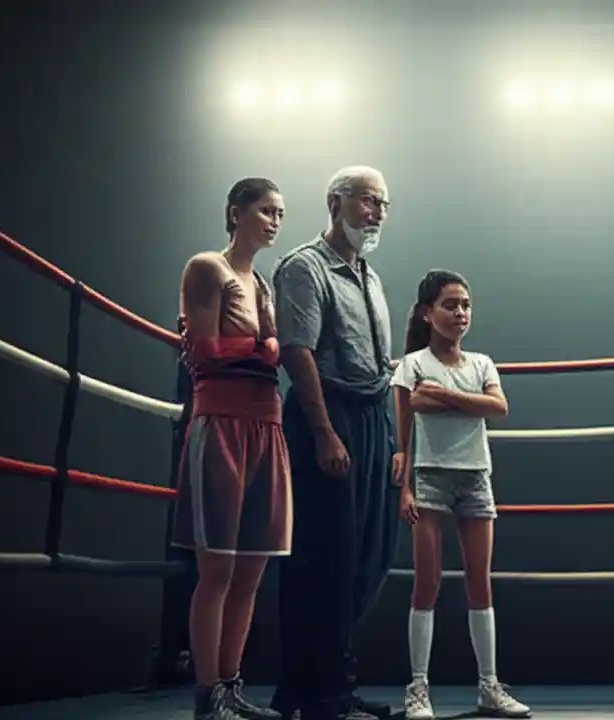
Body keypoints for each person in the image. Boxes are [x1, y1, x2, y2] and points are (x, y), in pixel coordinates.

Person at [269, 166, 399, 720]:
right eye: (368, 201)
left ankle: (323, 688)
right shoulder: (303, 266)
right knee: (325, 556)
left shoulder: (368, 275)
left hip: (371, 418)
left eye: (384, 205)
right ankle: (321, 691)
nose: (377, 213)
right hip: (330, 415)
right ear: (334, 202)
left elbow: (380, 364)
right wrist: (323, 431)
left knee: (369, 553)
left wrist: (392, 437)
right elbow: (298, 353)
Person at [171, 177, 291, 720]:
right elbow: (204, 348)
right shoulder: (207, 267)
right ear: (235, 212)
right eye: (265, 210)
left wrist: (265, 350)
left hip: (267, 427)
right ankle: (206, 694)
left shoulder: (262, 285)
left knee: (251, 573)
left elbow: (266, 355)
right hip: (219, 421)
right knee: (216, 571)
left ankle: (231, 685)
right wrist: (263, 346)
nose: (274, 220)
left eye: (281, 213)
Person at [389, 270, 531, 720]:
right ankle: (417, 689)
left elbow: (500, 408)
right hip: (429, 473)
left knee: (479, 582)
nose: (460, 313)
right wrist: (405, 488)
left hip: (475, 476)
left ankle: (490, 685)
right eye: (450, 304)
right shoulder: (412, 365)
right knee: (426, 583)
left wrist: (443, 395)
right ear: (428, 313)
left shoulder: (482, 363)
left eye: (466, 304)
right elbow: (408, 422)